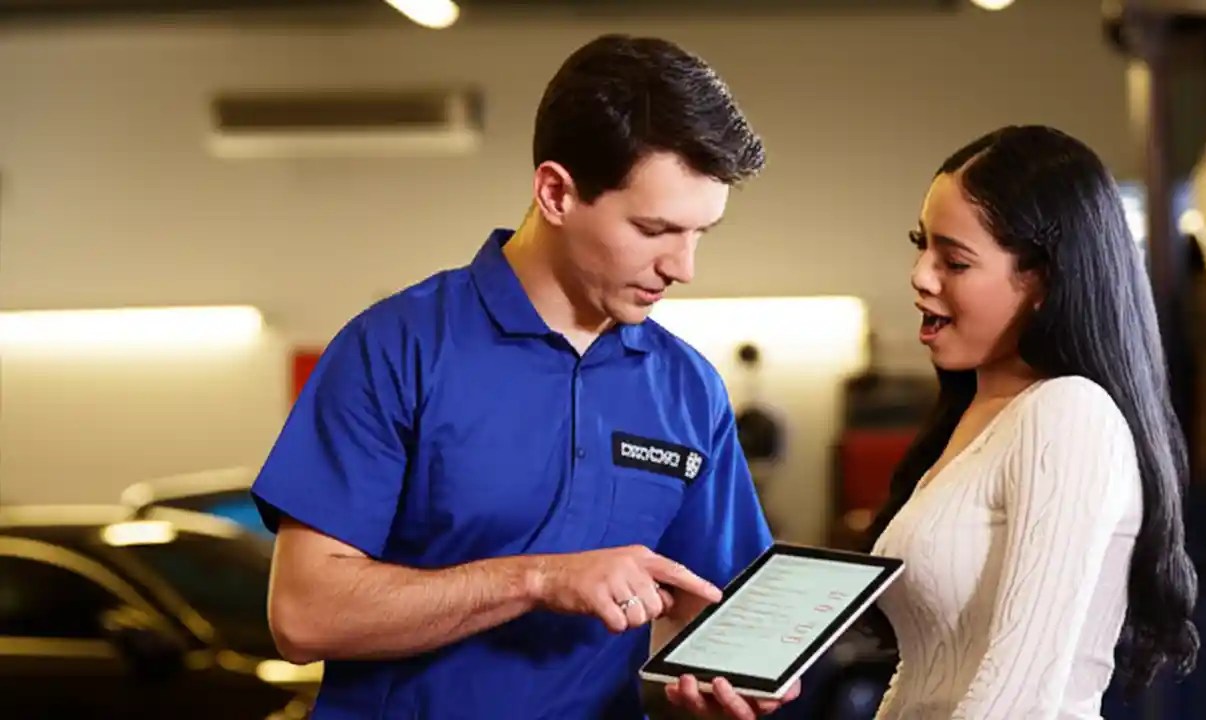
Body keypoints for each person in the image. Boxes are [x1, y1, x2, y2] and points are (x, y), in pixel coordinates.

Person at [250, 34, 799, 720]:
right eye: (655, 229)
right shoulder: (395, 349)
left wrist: (704, 702)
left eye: (701, 234)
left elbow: (709, 626)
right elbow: (304, 617)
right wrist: (538, 579)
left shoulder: (689, 391)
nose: (683, 267)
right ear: (556, 192)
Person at [865, 125, 1200, 719]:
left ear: (1043, 280)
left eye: (955, 261)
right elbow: (921, 675)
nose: (920, 275)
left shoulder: (1069, 413)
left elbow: (1018, 696)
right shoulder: (974, 419)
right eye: (922, 246)